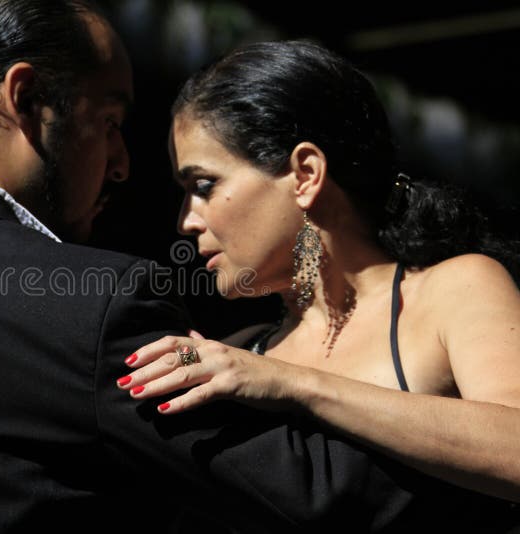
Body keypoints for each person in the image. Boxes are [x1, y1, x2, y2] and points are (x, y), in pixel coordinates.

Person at [0, 4, 434, 533]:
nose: (121, 165)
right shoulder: (90, 306)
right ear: (27, 100)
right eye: (111, 121)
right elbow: (323, 497)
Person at [117, 41, 520, 527]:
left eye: (203, 187)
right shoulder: (241, 356)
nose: (186, 220)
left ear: (305, 174)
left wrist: (293, 384)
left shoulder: (453, 289)